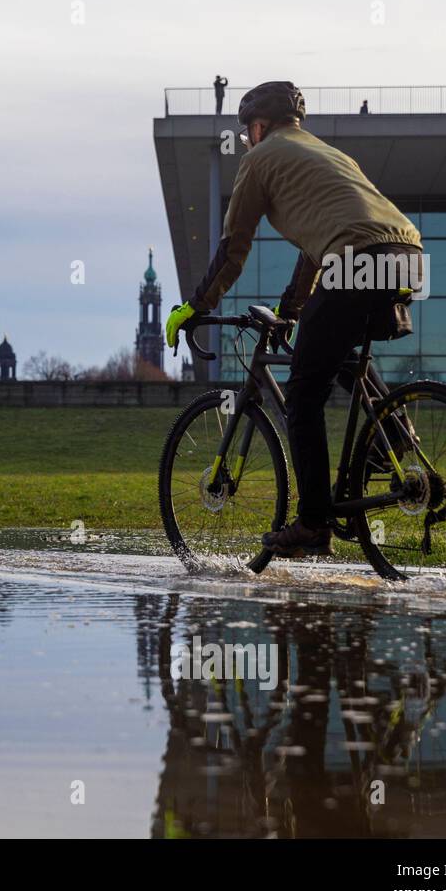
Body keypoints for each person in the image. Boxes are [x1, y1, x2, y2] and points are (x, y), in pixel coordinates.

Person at [165, 80, 423, 558]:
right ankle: (393, 434)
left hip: (354, 256)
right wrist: (290, 311)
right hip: (406, 254)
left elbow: (233, 249)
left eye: (246, 132)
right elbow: (315, 251)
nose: (246, 140)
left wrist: (196, 305)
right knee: (339, 354)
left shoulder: (260, 160)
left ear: (258, 127)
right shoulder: (324, 154)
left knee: (303, 394)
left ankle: (312, 524)